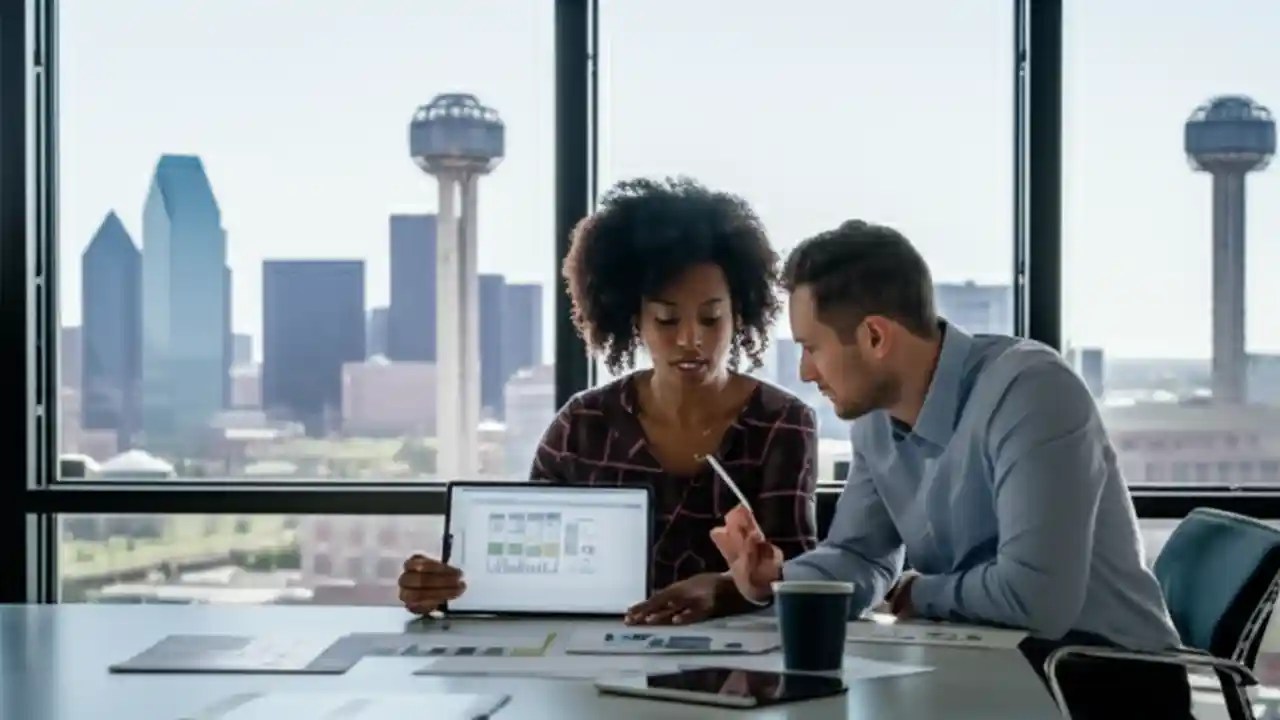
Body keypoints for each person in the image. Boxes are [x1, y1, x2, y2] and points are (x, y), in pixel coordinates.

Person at [712, 220, 1190, 717]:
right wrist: (780, 578)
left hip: (1106, 677)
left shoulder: (1032, 392)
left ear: (875, 336)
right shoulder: (874, 420)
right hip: (996, 659)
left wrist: (920, 591)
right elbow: (860, 557)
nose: (806, 373)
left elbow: (1037, 597)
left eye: (812, 348)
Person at [398, 176, 819, 624]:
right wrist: (447, 589)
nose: (691, 339)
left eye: (712, 318)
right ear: (634, 319)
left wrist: (729, 592)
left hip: (738, 661)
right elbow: (529, 568)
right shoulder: (584, 423)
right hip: (593, 653)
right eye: (666, 319)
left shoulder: (781, 423)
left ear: (740, 315)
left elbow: (801, 574)